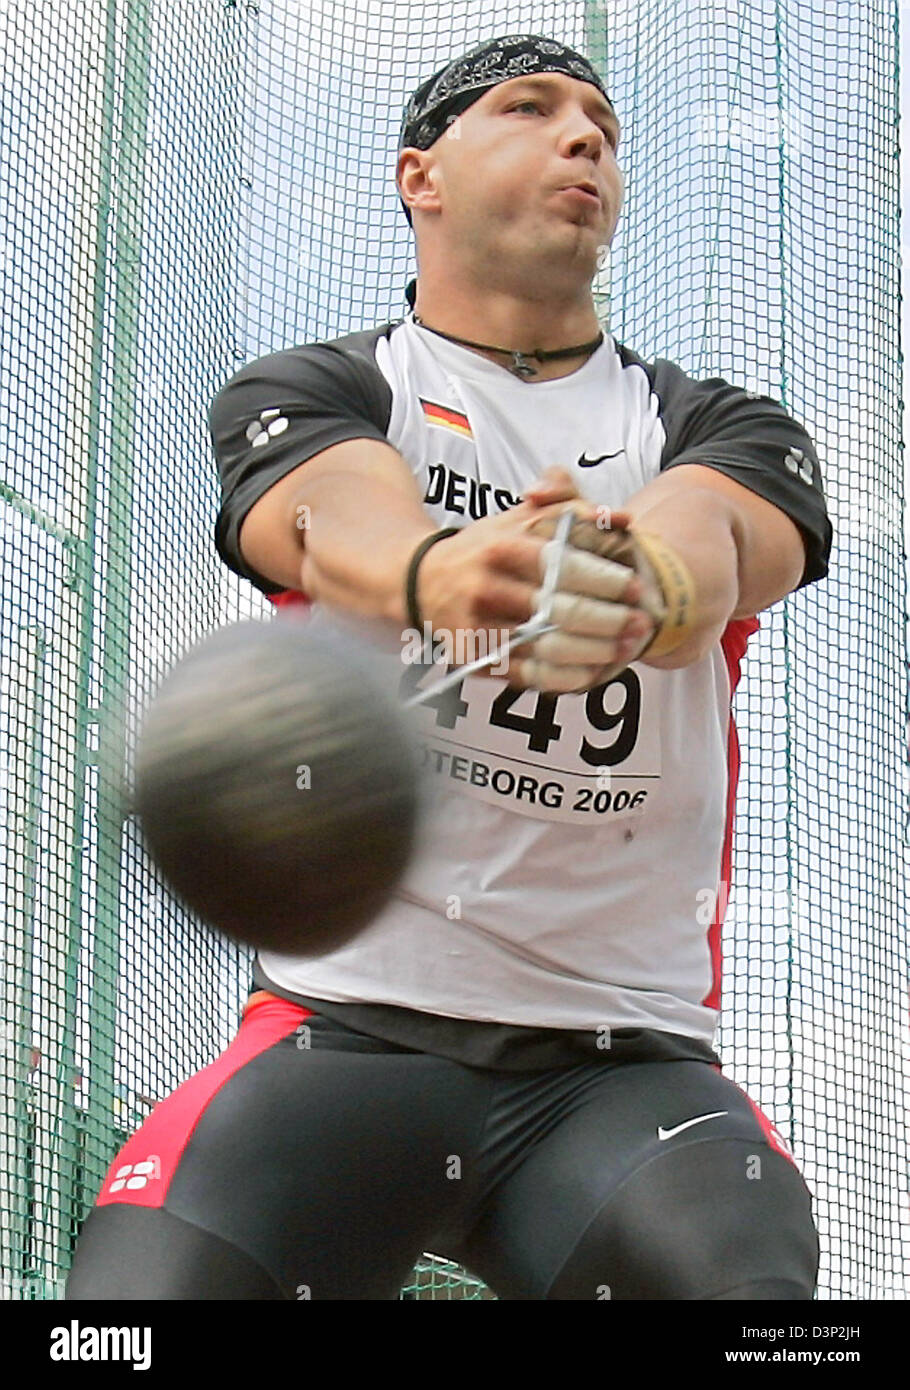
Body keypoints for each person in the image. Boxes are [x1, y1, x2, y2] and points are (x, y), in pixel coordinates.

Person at [66, 34, 832, 1300]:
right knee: (124, 1323)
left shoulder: (713, 425)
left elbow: (717, 533)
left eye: (600, 120)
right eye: (530, 109)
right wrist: (445, 575)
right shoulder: (324, 387)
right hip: (346, 1030)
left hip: (622, 1068)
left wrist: (644, 588)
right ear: (420, 175)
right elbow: (327, 516)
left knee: (748, 1310)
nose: (583, 135)